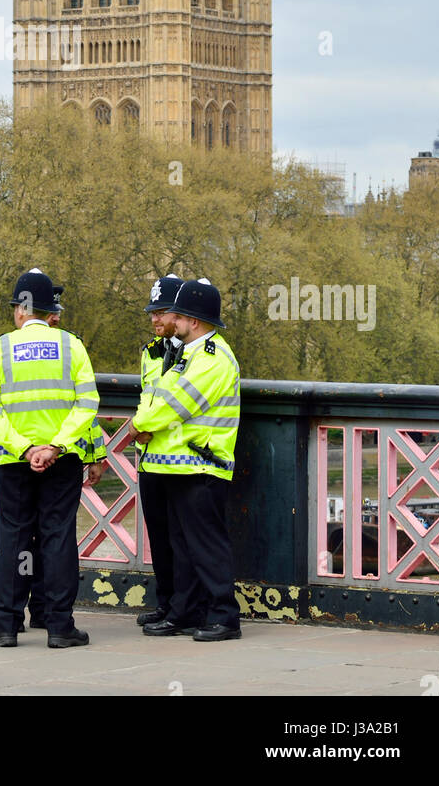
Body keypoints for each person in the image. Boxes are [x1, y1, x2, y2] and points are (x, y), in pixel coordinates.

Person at [0, 267, 100, 648]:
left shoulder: (0, 349)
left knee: (14, 539)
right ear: (47, 309)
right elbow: (87, 404)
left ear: (21, 310)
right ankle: (59, 626)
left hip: (14, 462)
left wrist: (24, 448)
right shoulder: (73, 346)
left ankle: (6, 625)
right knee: (57, 539)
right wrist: (54, 446)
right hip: (62, 461)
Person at [130, 278, 242, 641]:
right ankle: (186, 613)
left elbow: (176, 404)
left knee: (207, 547)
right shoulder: (190, 353)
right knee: (184, 546)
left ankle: (225, 617)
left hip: (202, 465)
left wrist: (139, 426)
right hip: (181, 464)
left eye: (178, 315)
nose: (172, 321)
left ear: (193, 320)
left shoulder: (212, 357)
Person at [135, 273, 193, 630]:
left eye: (162, 311)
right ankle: (166, 602)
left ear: (181, 314)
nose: (155, 319)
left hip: (185, 459)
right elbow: (147, 396)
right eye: (152, 312)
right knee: (159, 537)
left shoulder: (197, 351)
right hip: (152, 459)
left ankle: (182, 611)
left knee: (182, 540)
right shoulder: (150, 352)